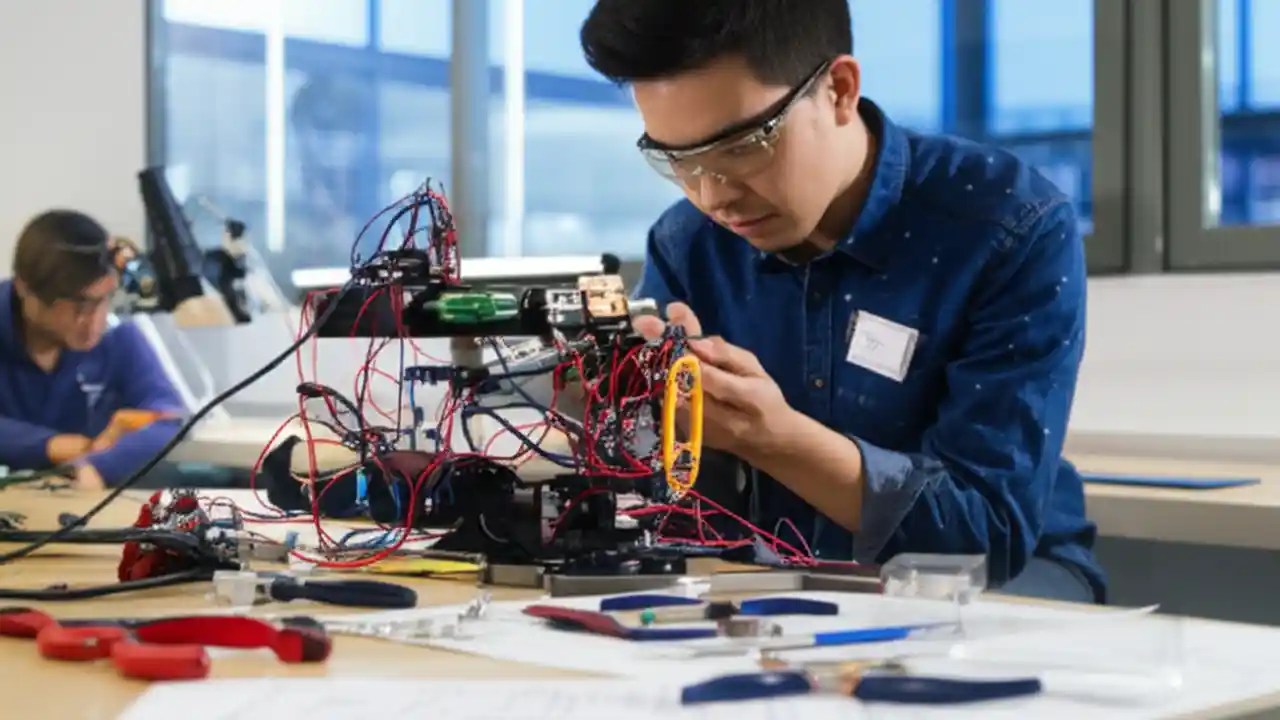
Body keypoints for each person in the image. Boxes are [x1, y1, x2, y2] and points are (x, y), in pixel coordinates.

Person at [580, 0, 1105, 603]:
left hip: (996, 585)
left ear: (839, 89)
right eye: (679, 160)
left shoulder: (1006, 227)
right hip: (768, 578)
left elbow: (987, 534)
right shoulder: (688, 243)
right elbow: (675, 499)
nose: (712, 195)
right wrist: (612, 414)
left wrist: (774, 437)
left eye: (744, 147)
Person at [0, 210, 185, 490]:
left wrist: (99, 465)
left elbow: (168, 416)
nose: (95, 322)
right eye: (80, 306)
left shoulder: (117, 334)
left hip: (81, 501)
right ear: (25, 289)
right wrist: (56, 446)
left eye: (105, 299)